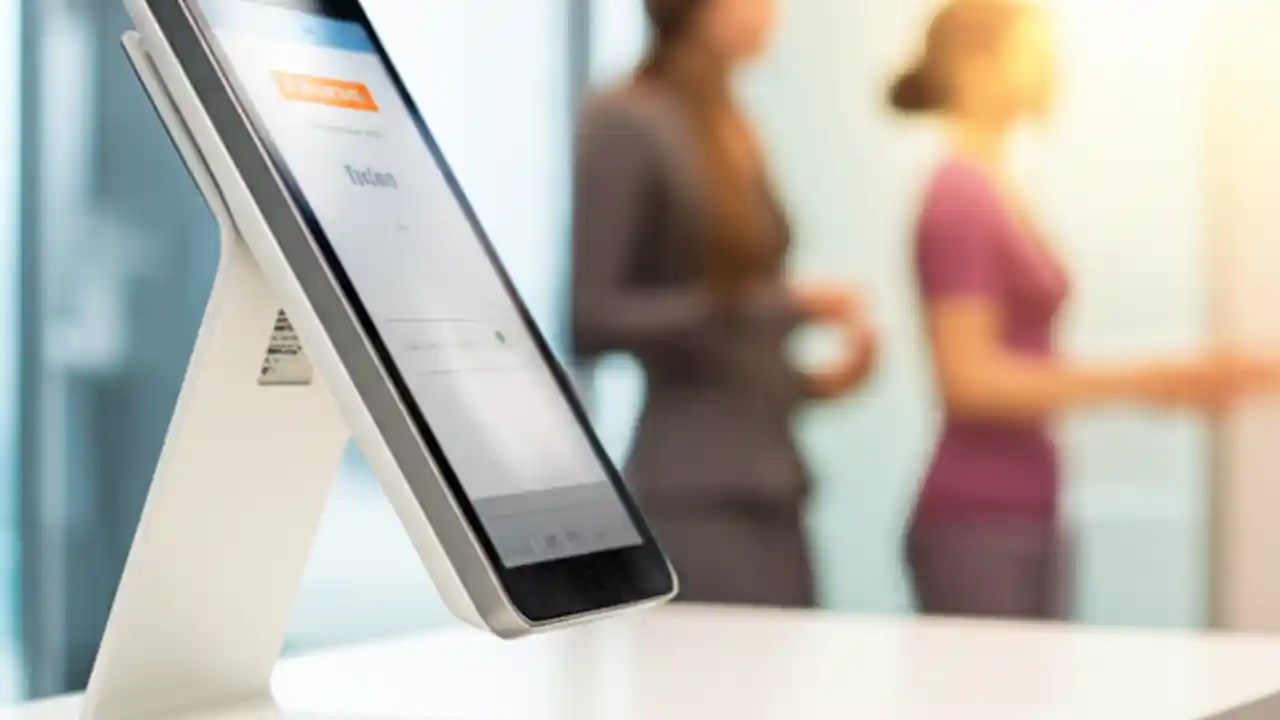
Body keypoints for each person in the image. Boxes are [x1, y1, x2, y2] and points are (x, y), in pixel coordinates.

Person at [891, 0, 1277, 619]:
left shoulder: (997, 185)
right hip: (978, 517)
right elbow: (968, 379)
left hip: (1029, 507)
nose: (1052, 70)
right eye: (1035, 49)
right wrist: (1149, 380)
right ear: (981, 61)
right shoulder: (959, 193)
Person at [572, 0, 876, 607]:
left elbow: (728, 345)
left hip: (774, 488)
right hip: (695, 500)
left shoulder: (732, 122)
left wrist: (811, 383)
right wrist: (780, 307)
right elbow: (591, 319)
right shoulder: (626, 121)